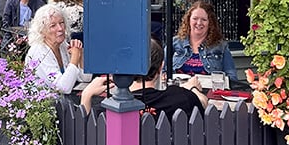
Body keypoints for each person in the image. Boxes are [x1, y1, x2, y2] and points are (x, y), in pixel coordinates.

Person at [79, 38, 208, 118]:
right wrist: (192, 88)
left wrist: (87, 94)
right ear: (161, 67)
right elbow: (203, 104)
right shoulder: (180, 98)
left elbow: (85, 137)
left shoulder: (109, 108)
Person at [25, 3, 90, 94]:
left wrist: (80, 53)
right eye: (53, 25)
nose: (60, 28)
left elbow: (85, 78)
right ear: (42, 31)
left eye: (61, 23)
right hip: (43, 105)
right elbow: (63, 88)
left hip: (61, 102)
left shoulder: (62, 45)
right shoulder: (39, 52)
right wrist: (75, 57)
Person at [172, 0, 237, 80]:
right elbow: (162, 71)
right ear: (188, 20)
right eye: (195, 18)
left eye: (204, 20)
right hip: (178, 90)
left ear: (210, 23)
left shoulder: (220, 46)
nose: (199, 23)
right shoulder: (174, 43)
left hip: (208, 91)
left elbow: (232, 77)